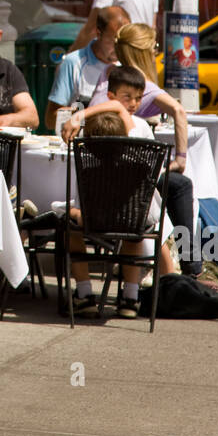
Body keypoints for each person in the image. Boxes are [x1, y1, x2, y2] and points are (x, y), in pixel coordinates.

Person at [65, 36, 198, 272]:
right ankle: (179, 272)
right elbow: (176, 111)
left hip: (98, 207)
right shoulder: (139, 126)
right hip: (139, 213)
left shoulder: (97, 118)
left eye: (139, 98)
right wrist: (179, 160)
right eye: (129, 98)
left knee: (67, 214)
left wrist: (79, 115)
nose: (135, 103)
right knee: (172, 194)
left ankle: (83, 292)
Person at [63, 99, 180, 318]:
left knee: (67, 221)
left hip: (95, 221)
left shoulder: (87, 170)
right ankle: (130, 297)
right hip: (135, 221)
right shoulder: (140, 161)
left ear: (88, 144)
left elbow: (82, 205)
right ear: (126, 136)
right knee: (132, 232)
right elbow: (120, 110)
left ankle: (85, 293)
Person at [44, 4, 130, 130]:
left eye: (124, 42)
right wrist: (84, 111)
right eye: (113, 41)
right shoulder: (73, 63)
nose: (119, 48)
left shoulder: (128, 63)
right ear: (98, 33)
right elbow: (50, 120)